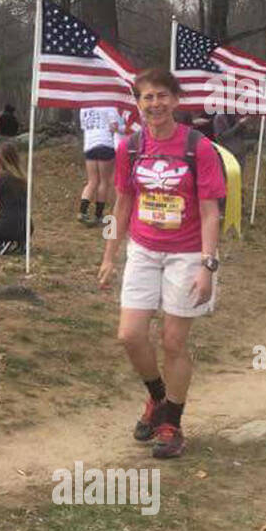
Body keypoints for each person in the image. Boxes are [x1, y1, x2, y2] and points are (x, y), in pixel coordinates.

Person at [98, 68, 225, 460]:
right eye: (147, 98)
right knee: (130, 335)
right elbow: (121, 204)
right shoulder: (130, 148)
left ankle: (172, 423)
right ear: (137, 104)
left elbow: (209, 212)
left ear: (176, 100)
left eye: (162, 96)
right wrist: (108, 256)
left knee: (173, 341)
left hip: (187, 253)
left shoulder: (199, 147)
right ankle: (157, 400)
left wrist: (207, 265)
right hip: (144, 249)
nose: (155, 104)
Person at [78, 104, 124, 227]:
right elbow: (115, 126)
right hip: (105, 144)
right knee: (104, 181)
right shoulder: (109, 106)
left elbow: (84, 126)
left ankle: (82, 211)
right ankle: (98, 215)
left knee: (92, 181)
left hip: (89, 145)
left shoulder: (84, 108)